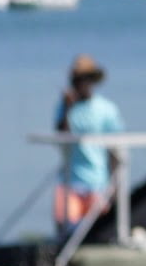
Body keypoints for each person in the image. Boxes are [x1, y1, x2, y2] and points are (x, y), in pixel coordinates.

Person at [53, 54, 125, 233]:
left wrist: (115, 187)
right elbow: (61, 137)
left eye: (84, 79)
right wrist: (67, 108)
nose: (79, 84)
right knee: (65, 231)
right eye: (76, 80)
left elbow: (115, 149)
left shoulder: (106, 109)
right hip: (70, 182)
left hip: (97, 182)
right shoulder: (65, 107)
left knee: (101, 231)